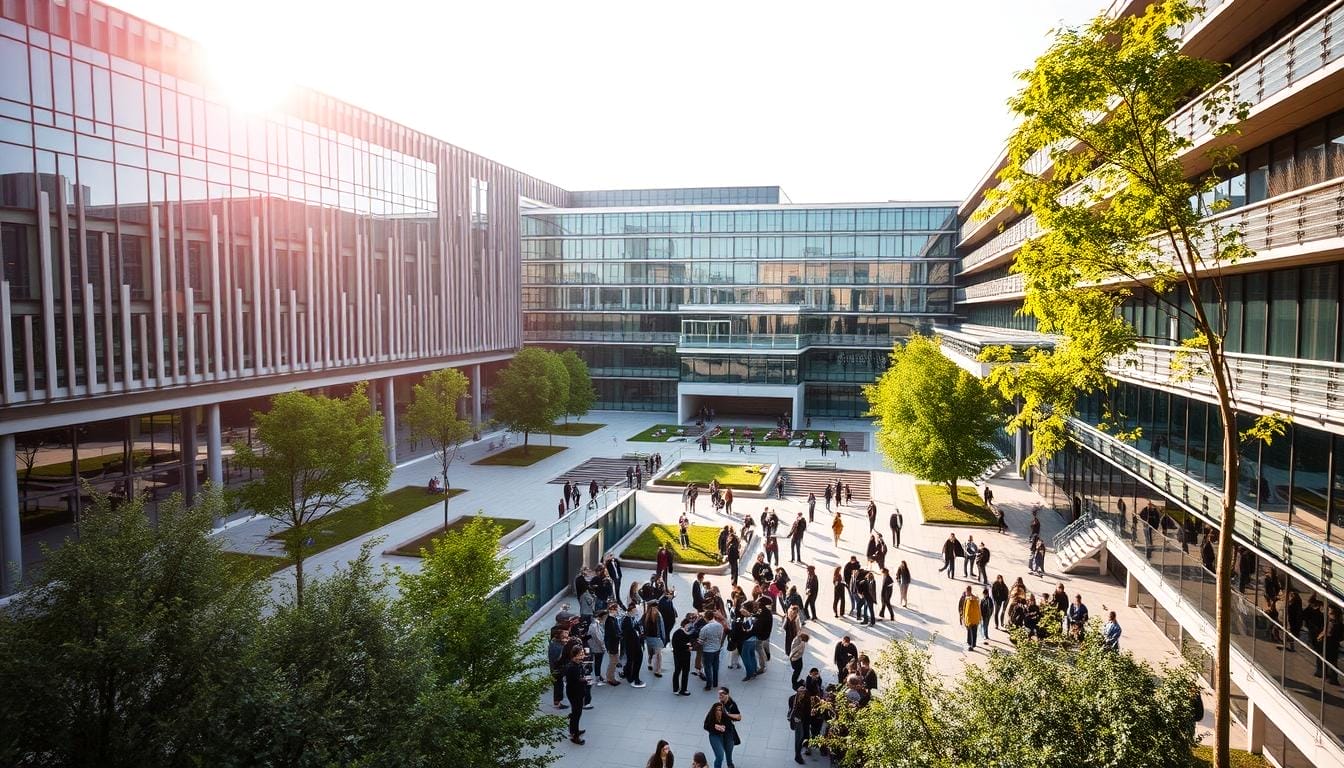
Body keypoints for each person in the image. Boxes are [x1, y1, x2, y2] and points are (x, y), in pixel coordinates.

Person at [704, 689, 741, 768]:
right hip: (715, 735)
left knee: (729, 749)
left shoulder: (731, 706)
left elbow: (738, 717)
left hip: (728, 732)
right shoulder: (714, 710)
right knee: (720, 755)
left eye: (723, 694)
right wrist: (715, 726)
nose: (719, 712)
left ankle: (730, 764)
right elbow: (706, 725)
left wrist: (727, 715)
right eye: (717, 710)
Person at [563, 646, 589, 744]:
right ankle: (575, 735)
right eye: (580, 654)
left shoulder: (577, 664)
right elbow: (575, 681)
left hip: (577, 692)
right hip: (575, 693)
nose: (583, 656)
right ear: (574, 656)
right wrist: (585, 681)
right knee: (576, 714)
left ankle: (574, 730)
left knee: (576, 713)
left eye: (583, 653)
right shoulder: (572, 667)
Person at [700, 611, 725, 690]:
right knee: (715, 666)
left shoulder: (705, 628)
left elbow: (701, 640)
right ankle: (715, 683)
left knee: (707, 667)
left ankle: (708, 684)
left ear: (706, 618)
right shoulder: (719, 625)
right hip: (717, 649)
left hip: (707, 650)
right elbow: (721, 637)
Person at [672, 615, 694, 695]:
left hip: (681, 655)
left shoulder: (686, 633)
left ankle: (678, 689)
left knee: (680, 672)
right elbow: (677, 645)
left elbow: (691, 642)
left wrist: (689, 645)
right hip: (681, 655)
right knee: (681, 672)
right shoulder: (679, 633)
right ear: (685, 625)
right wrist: (687, 646)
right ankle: (680, 689)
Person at [960, 586, 982, 651]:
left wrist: (979, 618)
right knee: (970, 632)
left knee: (973, 633)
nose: (965, 592)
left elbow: (976, 609)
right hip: (969, 619)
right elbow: (964, 609)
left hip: (972, 620)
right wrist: (963, 617)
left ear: (969, 591)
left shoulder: (973, 599)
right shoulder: (967, 599)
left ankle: (972, 646)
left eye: (966, 591)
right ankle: (971, 644)